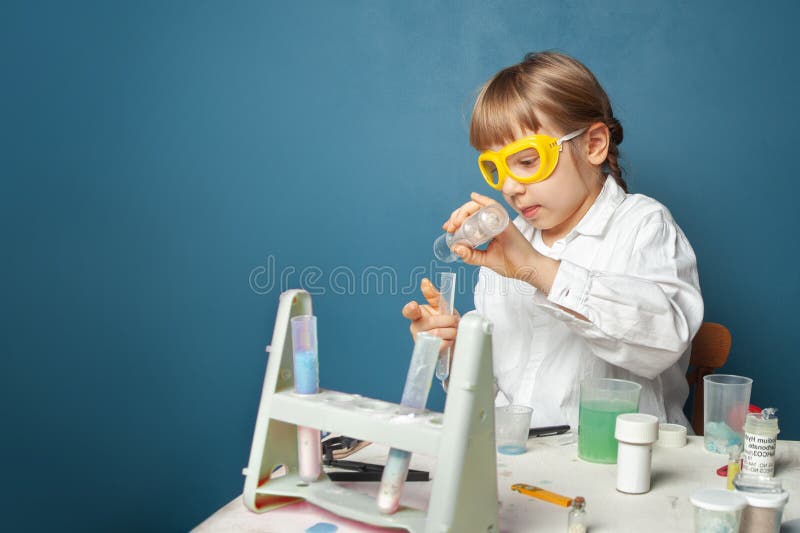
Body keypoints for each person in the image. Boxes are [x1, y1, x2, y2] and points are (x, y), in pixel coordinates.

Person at [402, 51, 703, 430]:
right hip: (523, 463)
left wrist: (538, 270)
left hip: (617, 469)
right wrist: (455, 349)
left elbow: (663, 340)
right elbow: (495, 394)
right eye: (495, 169)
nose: (510, 188)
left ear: (594, 144)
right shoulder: (507, 243)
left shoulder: (642, 226)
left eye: (528, 162)